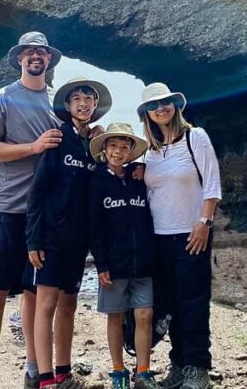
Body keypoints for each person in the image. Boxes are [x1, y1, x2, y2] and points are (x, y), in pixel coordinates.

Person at [0, 31, 64, 389]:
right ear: (20, 58)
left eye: (41, 51)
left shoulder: (58, 102)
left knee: (33, 293)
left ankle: (33, 371)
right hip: (5, 208)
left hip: (42, 214)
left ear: (49, 59)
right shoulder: (3, 97)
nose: (35, 56)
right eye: (29, 52)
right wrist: (33, 147)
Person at [26, 77, 111, 389]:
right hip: (50, 236)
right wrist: (33, 239)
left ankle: (64, 371)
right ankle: (45, 378)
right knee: (45, 303)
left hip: (78, 240)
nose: (83, 103)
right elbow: (37, 192)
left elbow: (110, 175)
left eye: (88, 99)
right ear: (67, 106)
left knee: (69, 304)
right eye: (77, 98)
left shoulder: (94, 146)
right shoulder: (57, 139)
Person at [139, 83, 221, 389]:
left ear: (175, 105)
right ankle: (178, 365)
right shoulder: (150, 152)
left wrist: (204, 223)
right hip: (159, 237)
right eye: (153, 105)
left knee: (193, 301)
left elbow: (212, 184)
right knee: (170, 304)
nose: (161, 108)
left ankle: (198, 369)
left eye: (165, 102)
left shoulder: (195, 138)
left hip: (192, 233)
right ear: (147, 113)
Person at [88, 123, 158, 389]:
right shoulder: (96, 181)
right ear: (104, 149)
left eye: (124, 147)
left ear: (131, 151)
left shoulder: (140, 178)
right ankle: (118, 371)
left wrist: (147, 169)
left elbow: (163, 176)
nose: (118, 151)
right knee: (115, 316)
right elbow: (94, 226)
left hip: (143, 262)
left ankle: (143, 371)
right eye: (113, 146)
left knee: (145, 315)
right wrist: (101, 263)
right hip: (113, 264)